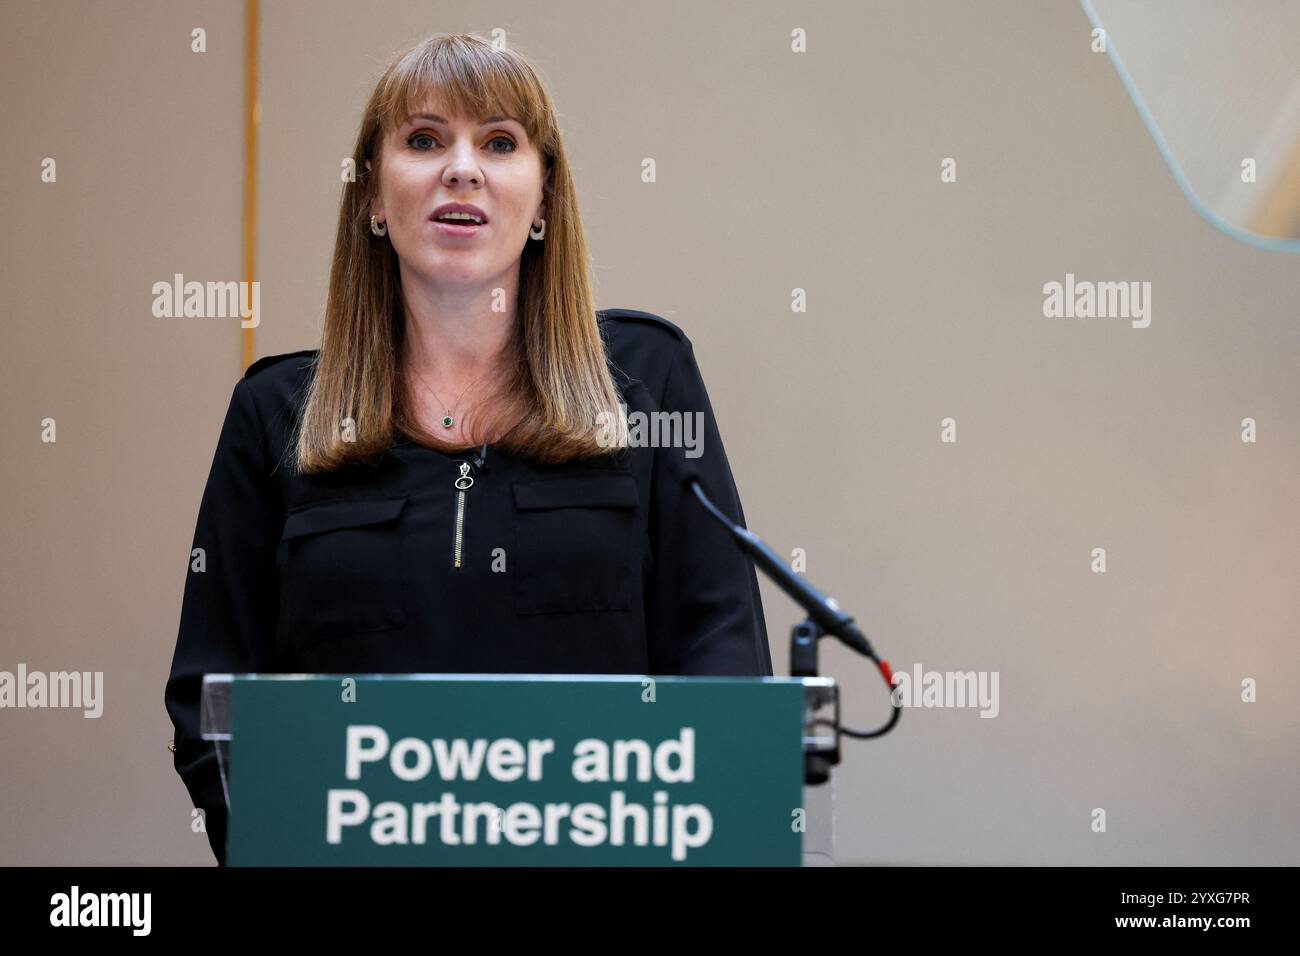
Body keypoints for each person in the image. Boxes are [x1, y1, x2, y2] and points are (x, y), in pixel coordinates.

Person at [164, 32, 771, 866]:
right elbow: (212, 701)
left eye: (498, 141)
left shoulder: (649, 382)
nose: (461, 168)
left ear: (545, 197)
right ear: (373, 197)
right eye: (422, 140)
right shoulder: (275, 414)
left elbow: (724, 662)